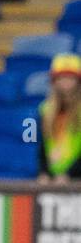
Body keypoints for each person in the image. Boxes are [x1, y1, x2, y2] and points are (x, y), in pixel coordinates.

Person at [38, 53, 81, 183]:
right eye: (61, 77)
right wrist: (43, 172)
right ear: (54, 81)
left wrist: (69, 174)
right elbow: (39, 145)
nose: (66, 82)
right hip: (53, 180)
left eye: (70, 77)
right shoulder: (43, 109)